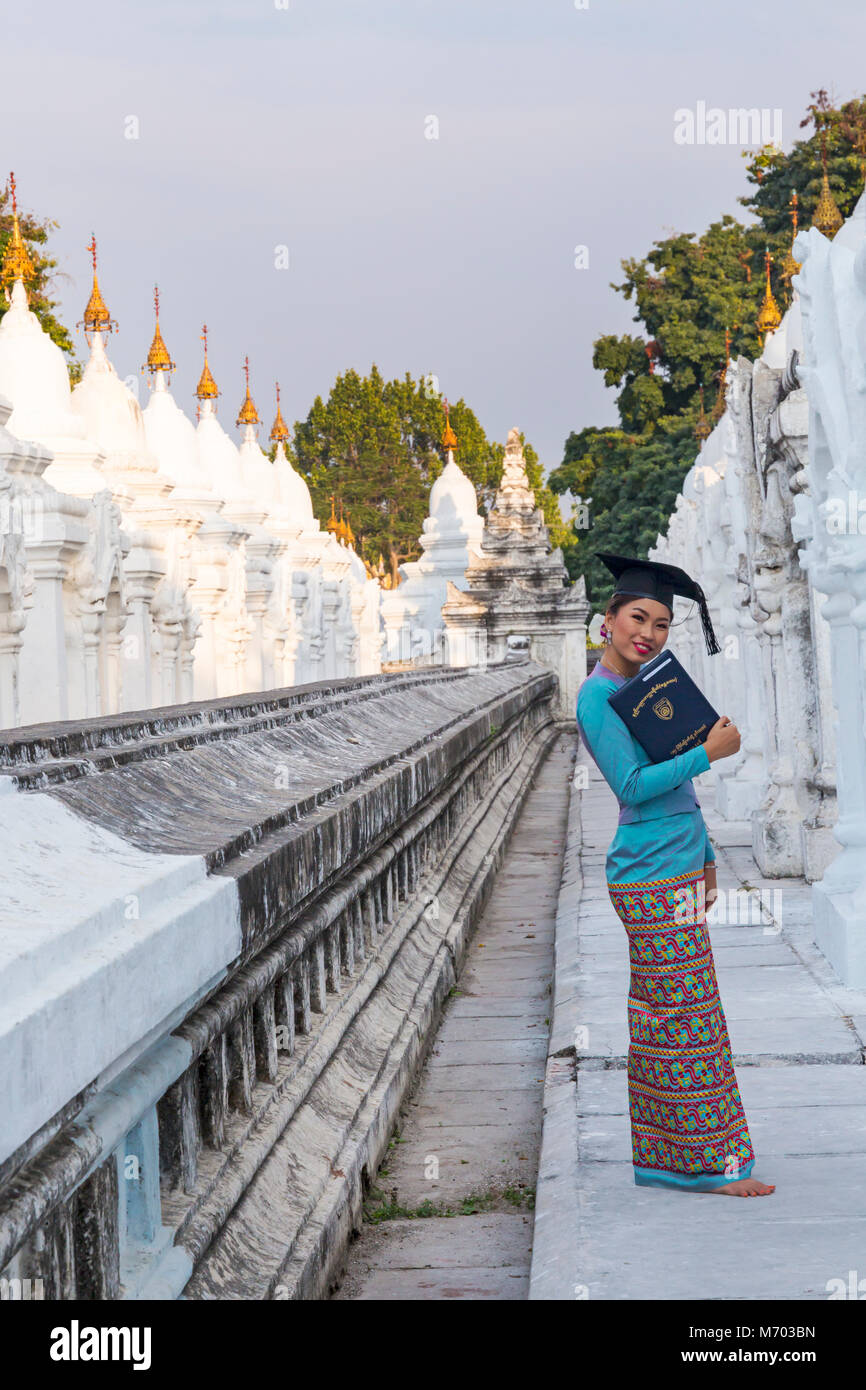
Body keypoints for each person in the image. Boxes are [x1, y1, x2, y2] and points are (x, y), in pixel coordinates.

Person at [576, 551, 775, 1198]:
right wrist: (706, 753)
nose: (650, 633)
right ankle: (702, 1165)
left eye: (662, 624)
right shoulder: (598, 697)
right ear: (607, 620)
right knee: (680, 1017)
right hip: (647, 872)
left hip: (678, 864)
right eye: (638, 617)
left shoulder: (647, 691)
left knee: (683, 1016)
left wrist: (708, 858)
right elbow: (634, 787)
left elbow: (678, 796)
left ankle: (672, 1160)